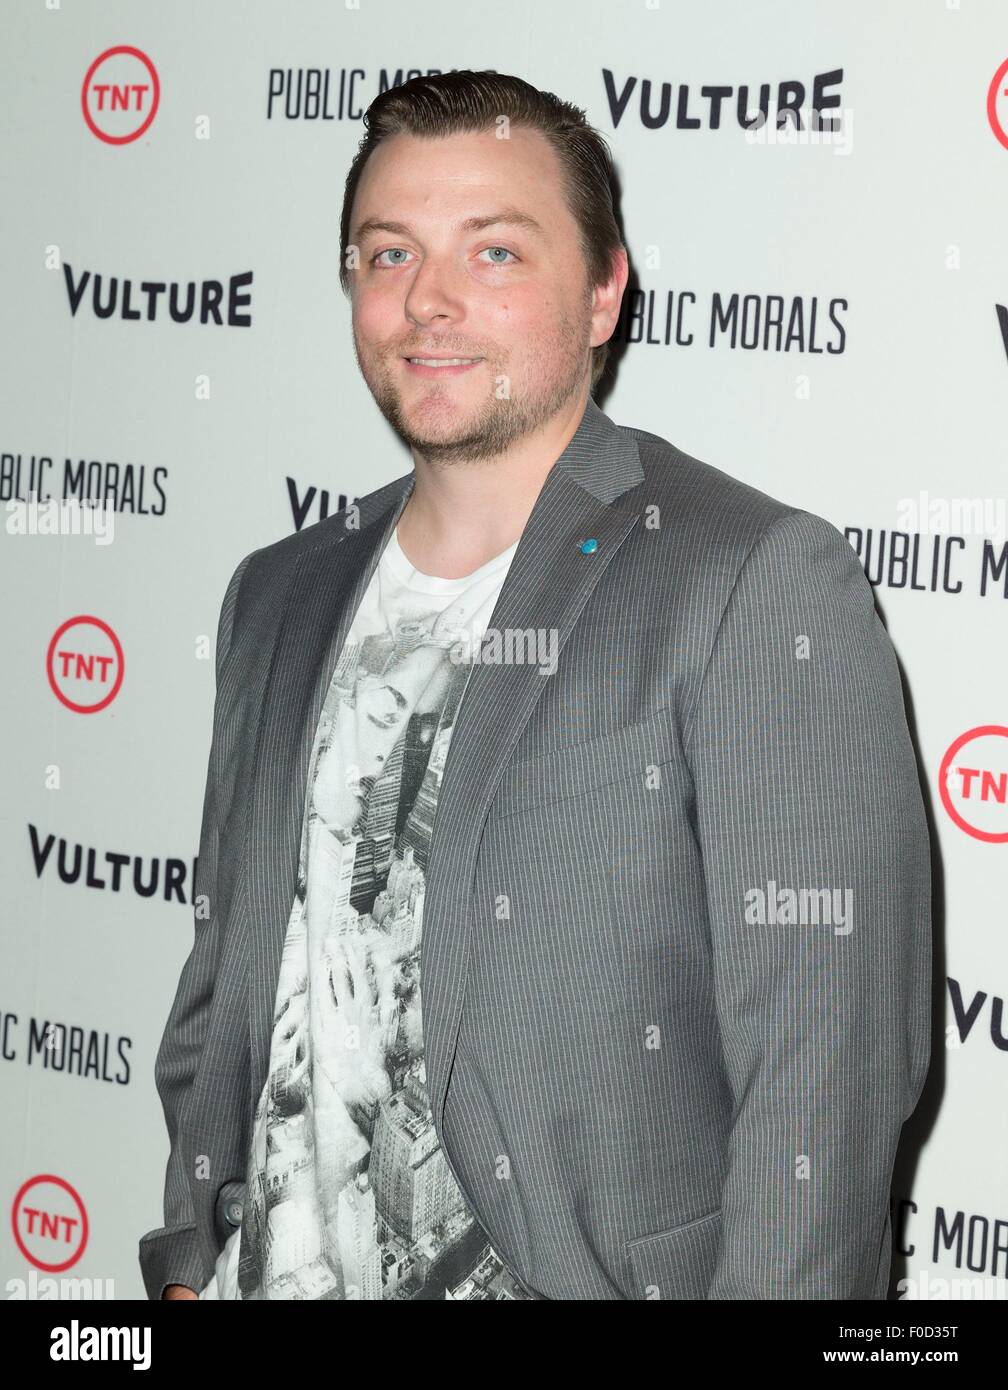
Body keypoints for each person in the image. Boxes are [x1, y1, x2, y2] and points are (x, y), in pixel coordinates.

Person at [140, 70, 931, 1301]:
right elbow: (232, 977)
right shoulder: (277, 594)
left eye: (495, 251)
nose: (430, 301)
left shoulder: (749, 579)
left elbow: (822, 1086)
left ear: (607, 289)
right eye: (388, 251)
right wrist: (193, 1256)